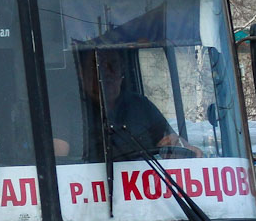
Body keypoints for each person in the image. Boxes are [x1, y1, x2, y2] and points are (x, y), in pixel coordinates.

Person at [56, 49, 195, 160]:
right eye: (98, 67)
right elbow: (59, 163)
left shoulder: (141, 106)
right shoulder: (65, 109)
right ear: (81, 73)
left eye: (113, 65)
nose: (107, 73)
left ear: (121, 72)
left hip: (144, 188)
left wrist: (182, 148)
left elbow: (172, 143)